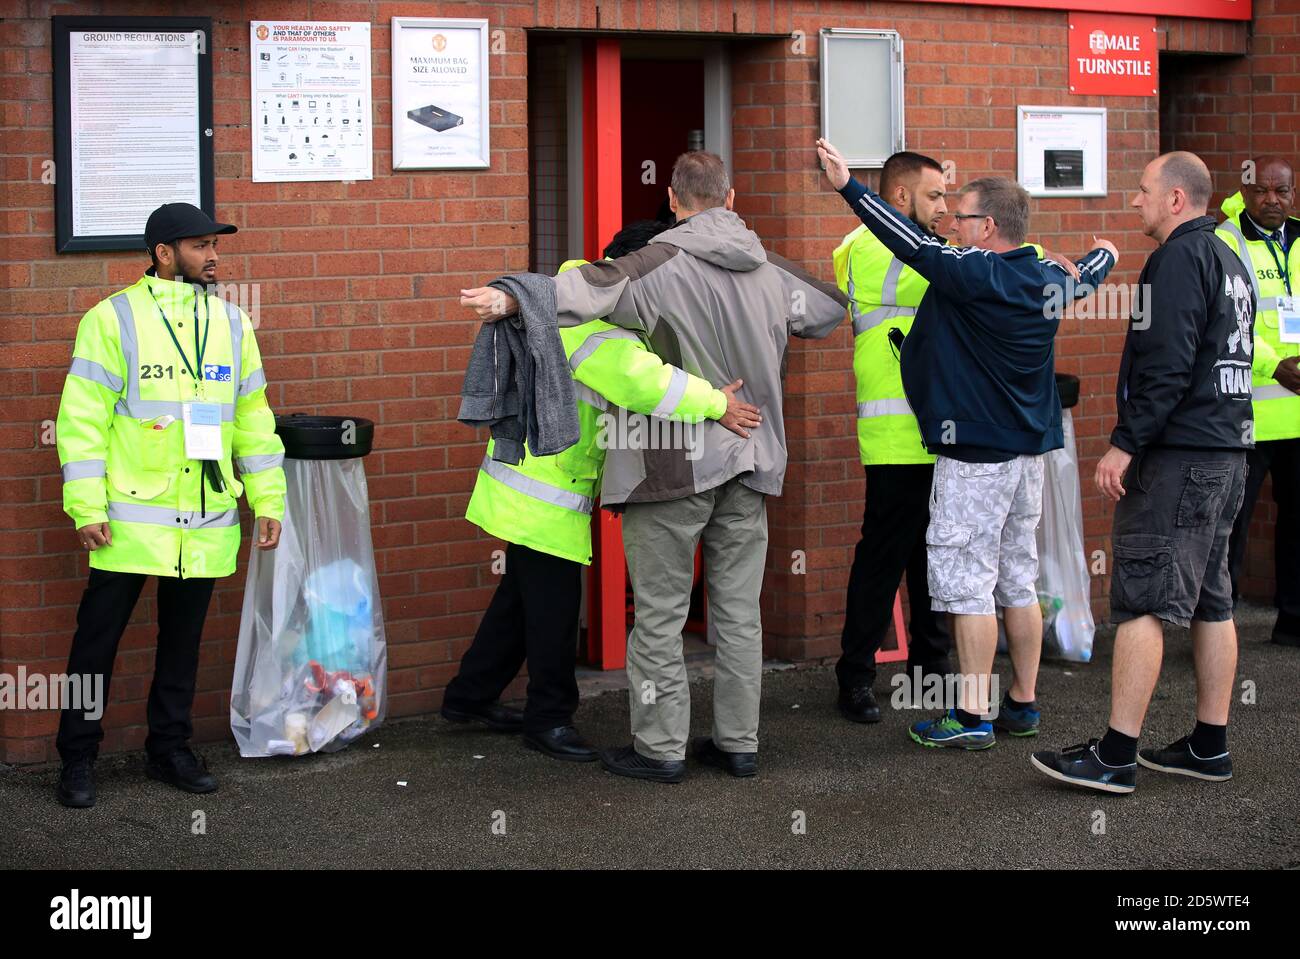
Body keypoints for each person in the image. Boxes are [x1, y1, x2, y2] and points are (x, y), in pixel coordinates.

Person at [462, 151, 849, 782]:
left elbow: (577, 290)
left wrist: (510, 297)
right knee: (739, 615)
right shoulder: (772, 271)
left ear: (672, 198)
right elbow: (829, 310)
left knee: (661, 621)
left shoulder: (654, 265)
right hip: (752, 464)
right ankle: (737, 744)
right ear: (731, 196)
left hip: (671, 470)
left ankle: (660, 749)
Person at [817, 137, 1117, 751]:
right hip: (1029, 453)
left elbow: (909, 242)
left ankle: (971, 716)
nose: (953, 224)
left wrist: (848, 185)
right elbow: (1090, 273)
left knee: (968, 583)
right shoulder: (1045, 278)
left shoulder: (973, 272)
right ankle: (1023, 704)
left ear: (988, 226)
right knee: (1017, 578)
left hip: (976, 455)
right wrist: (1105, 252)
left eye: (964, 216)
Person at [443, 220, 760, 763]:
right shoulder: (593, 324)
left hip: (529, 483)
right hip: (545, 494)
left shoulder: (577, 304)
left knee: (520, 601)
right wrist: (717, 403)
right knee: (555, 612)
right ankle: (550, 718)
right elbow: (641, 381)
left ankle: (469, 697)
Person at [1032, 152, 1256, 794]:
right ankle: (1209, 745)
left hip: (1179, 457)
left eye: (1142, 191)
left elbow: (1169, 364)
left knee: (1142, 598)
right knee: (1213, 598)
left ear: (1177, 199)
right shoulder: (1231, 257)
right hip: (1227, 453)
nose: (1135, 202)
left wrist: (1125, 444)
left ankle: (1116, 754)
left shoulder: (1180, 259)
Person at [53, 202, 286, 808]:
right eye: (201, 246)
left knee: (182, 642)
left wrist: (268, 501)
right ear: (164, 253)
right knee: (96, 642)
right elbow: (81, 422)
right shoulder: (113, 319)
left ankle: (170, 748)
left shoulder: (233, 324)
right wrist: (87, 507)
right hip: (127, 517)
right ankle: (77, 756)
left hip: (206, 516)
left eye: (216, 245)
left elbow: (253, 422)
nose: (214, 257)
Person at [832, 152, 955, 724]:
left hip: (927, 431)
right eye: (935, 197)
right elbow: (952, 269)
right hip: (902, 434)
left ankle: (911, 676)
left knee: (923, 560)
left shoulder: (870, 245)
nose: (946, 210)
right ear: (901, 198)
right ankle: (864, 677)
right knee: (892, 560)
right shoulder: (885, 246)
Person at [1215, 156, 1300, 648]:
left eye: (1282, 190)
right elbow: (1230, 316)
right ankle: (1217, 627)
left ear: (1293, 194)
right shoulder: (1227, 241)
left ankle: (1293, 621)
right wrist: (1275, 366)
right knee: (1231, 527)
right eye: (1262, 190)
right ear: (1245, 192)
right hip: (1248, 414)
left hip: (1299, 415)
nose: (1272, 199)